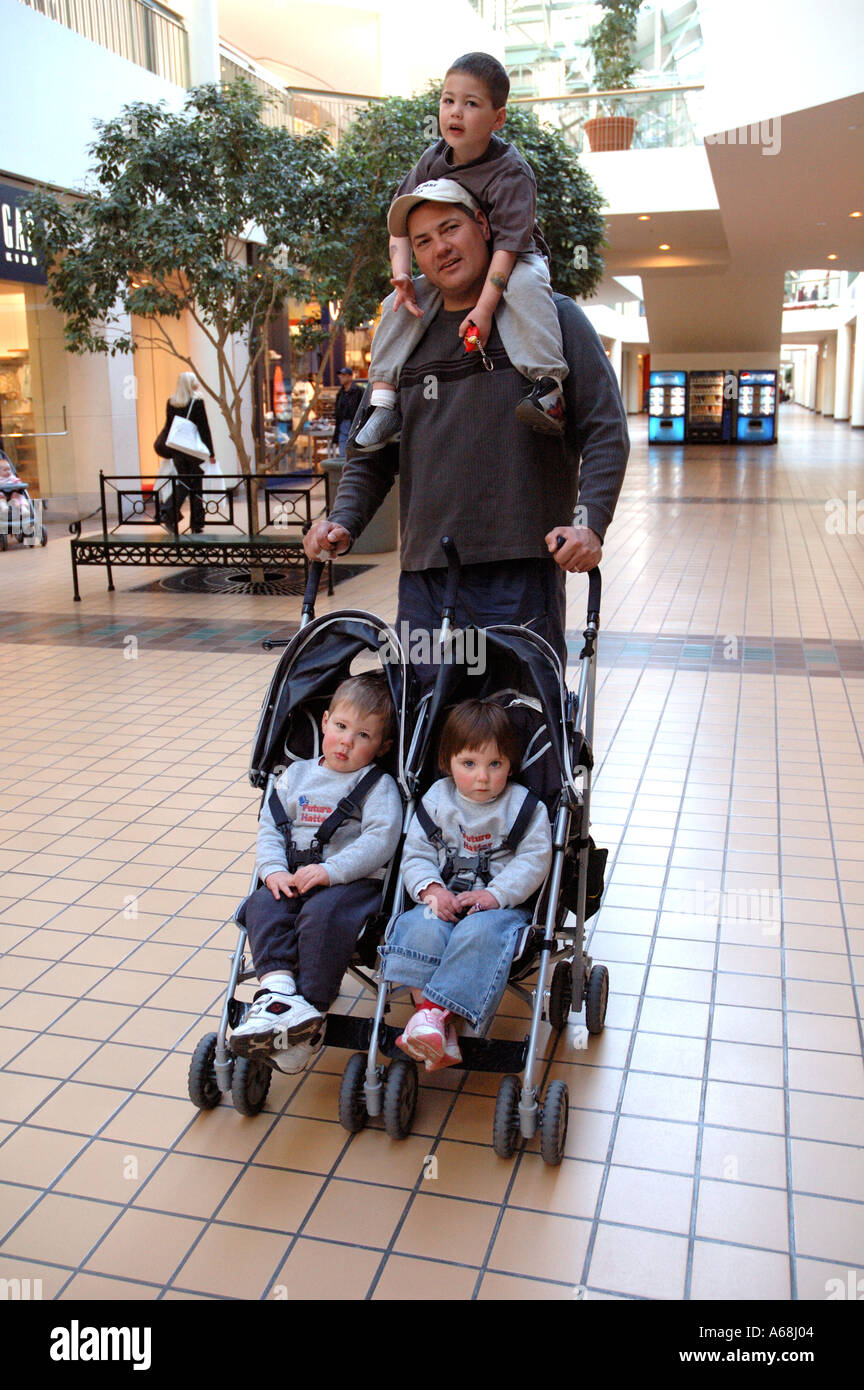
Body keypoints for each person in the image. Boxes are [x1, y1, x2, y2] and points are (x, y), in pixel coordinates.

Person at [304, 181, 629, 682]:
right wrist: (343, 518)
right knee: (422, 726)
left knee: (510, 733)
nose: (440, 249)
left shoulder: (551, 319)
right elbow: (372, 449)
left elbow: (604, 429)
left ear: (483, 226)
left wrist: (589, 522)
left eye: (450, 228)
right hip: (425, 577)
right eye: (423, 241)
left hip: (519, 568)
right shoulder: (403, 336)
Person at [354, 51, 568, 451]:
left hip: (514, 256)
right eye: (448, 100)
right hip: (464, 263)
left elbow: (507, 247)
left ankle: (548, 388)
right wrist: (402, 274)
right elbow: (399, 228)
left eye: (471, 104)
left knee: (525, 287)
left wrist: (485, 309)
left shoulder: (510, 171)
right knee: (395, 306)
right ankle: (382, 403)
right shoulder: (433, 159)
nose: (456, 112)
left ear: (498, 118)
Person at [230, 673, 402, 1074]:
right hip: (292, 876)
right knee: (261, 904)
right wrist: (272, 870)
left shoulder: (377, 785)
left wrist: (330, 870)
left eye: (363, 736)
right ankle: (276, 991)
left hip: (351, 884)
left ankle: (310, 1010)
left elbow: (381, 840)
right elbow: (271, 826)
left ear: (383, 747)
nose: (346, 741)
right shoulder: (294, 775)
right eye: (341, 728)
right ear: (324, 722)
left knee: (322, 917)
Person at [381, 699, 552, 1070]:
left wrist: (496, 894)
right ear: (448, 762)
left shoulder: (525, 807)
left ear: (511, 764)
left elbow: (534, 860)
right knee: (418, 926)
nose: (483, 777)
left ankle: (432, 1020)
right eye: (469, 764)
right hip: (443, 896)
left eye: (496, 764)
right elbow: (415, 854)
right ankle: (435, 1023)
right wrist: (430, 889)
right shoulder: (437, 799)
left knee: (479, 935)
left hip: (498, 908)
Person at [154, 372, 216, 534]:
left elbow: (169, 426)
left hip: (177, 450)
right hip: (192, 450)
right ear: (191, 384)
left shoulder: (171, 402)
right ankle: (178, 515)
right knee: (195, 483)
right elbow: (204, 428)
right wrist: (211, 452)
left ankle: (173, 514)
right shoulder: (197, 402)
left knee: (184, 481)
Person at [333, 366, 364, 456]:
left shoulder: (359, 391)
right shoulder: (340, 393)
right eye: (340, 375)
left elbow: (363, 409)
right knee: (343, 454)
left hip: (354, 425)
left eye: (344, 375)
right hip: (342, 425)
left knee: (355, 453)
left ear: (350, 377)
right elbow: (338, 411)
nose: (341, 377)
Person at [0, 453, 29, 522]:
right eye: (5, 470)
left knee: (20, 496)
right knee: (0, 498)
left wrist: (18, 484)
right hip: (2, 495)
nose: (8, 472)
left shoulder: (12, 477)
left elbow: (17, 481)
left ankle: (23, 508)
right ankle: (4, 507)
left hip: (13, 494)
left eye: (9, 469)